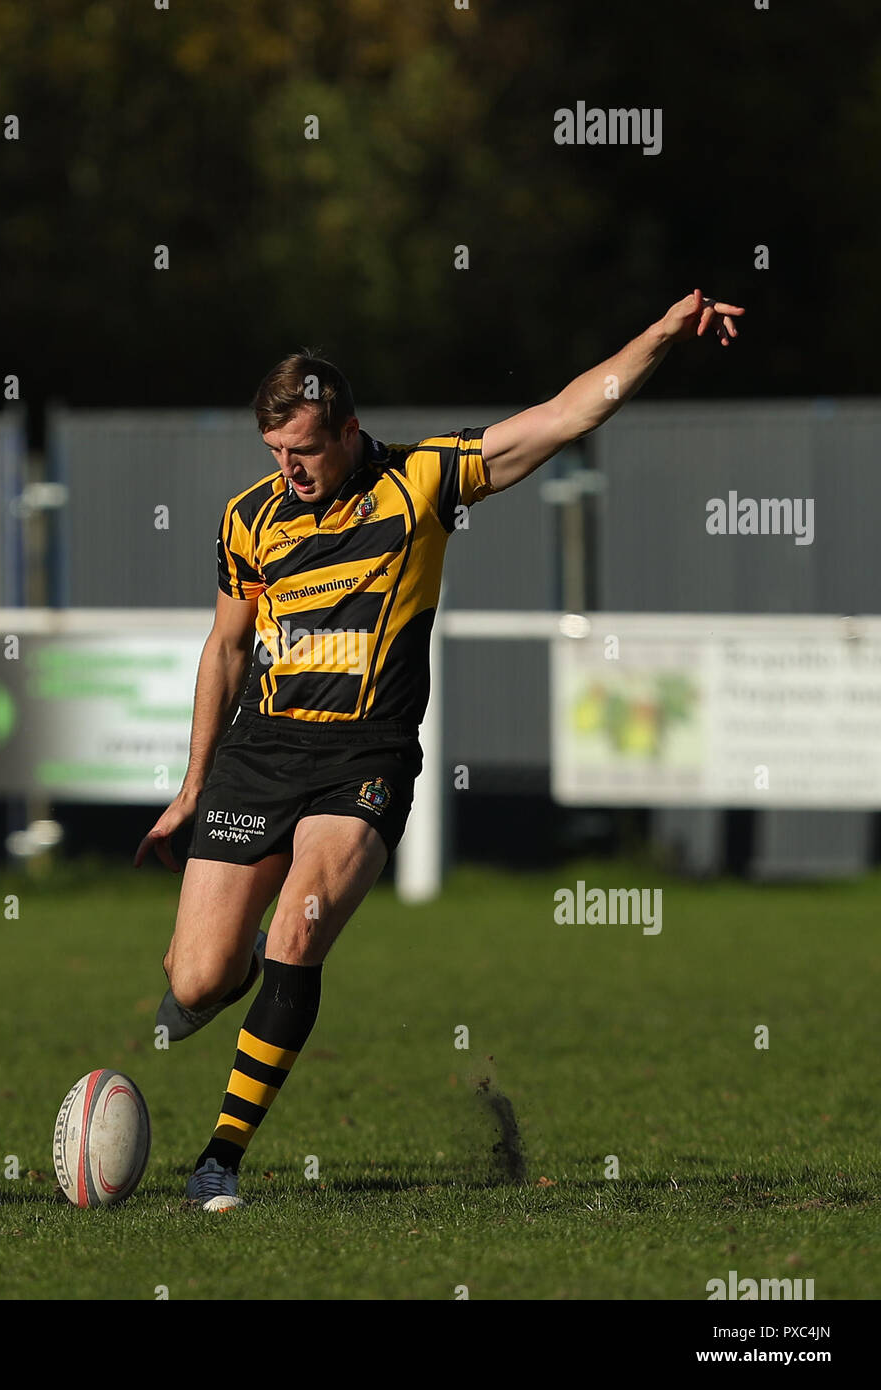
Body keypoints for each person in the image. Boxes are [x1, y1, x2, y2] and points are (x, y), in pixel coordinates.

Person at [135, 289, 744, 1210]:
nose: (289, 469)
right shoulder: (248, 519)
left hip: (365, 760)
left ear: (347, 429)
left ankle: (219, 1157)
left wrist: (662, 334)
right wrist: (191, 786)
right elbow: (225, 648)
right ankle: (241, 969)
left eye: (303, 450)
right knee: (199, 977)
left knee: (299, 933)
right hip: (260, 755)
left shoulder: (421, 480)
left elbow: (569, 412)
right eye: (275, 454)